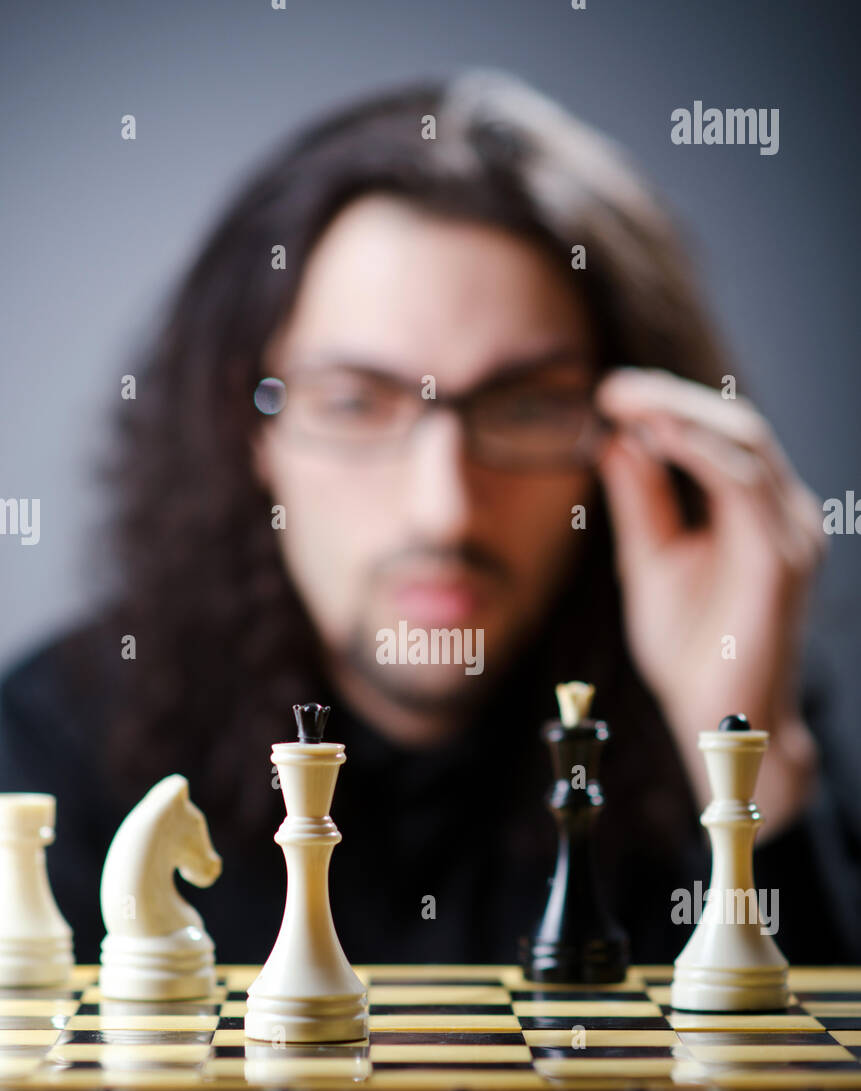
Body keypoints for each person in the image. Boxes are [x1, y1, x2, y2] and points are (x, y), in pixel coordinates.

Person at [1, 70, 858, 966]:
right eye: (355, 403)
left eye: (525, 408)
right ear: (246, 427)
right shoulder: (57, 741)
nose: (443, 508)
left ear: (633, 434)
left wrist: (748, 748)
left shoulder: (738, 708)